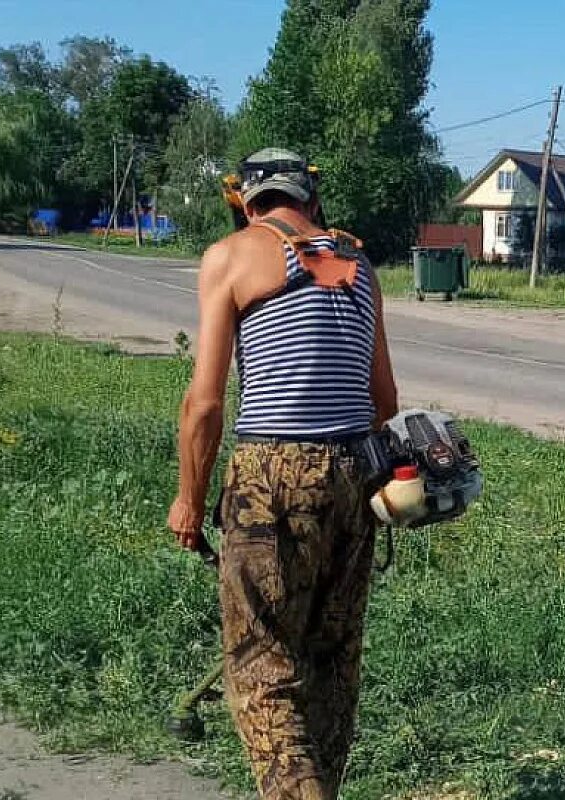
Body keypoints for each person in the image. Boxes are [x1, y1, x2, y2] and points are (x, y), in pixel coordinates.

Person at [166, 147, 398, 799]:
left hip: (272, 468)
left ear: (245, 200)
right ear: (311, 200)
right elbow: (385, 401)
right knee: (330, 664)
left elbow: (205, 401)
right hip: (356, 468)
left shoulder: (233, 255)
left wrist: (188, 499)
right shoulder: (353, 262)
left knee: (262, 671)